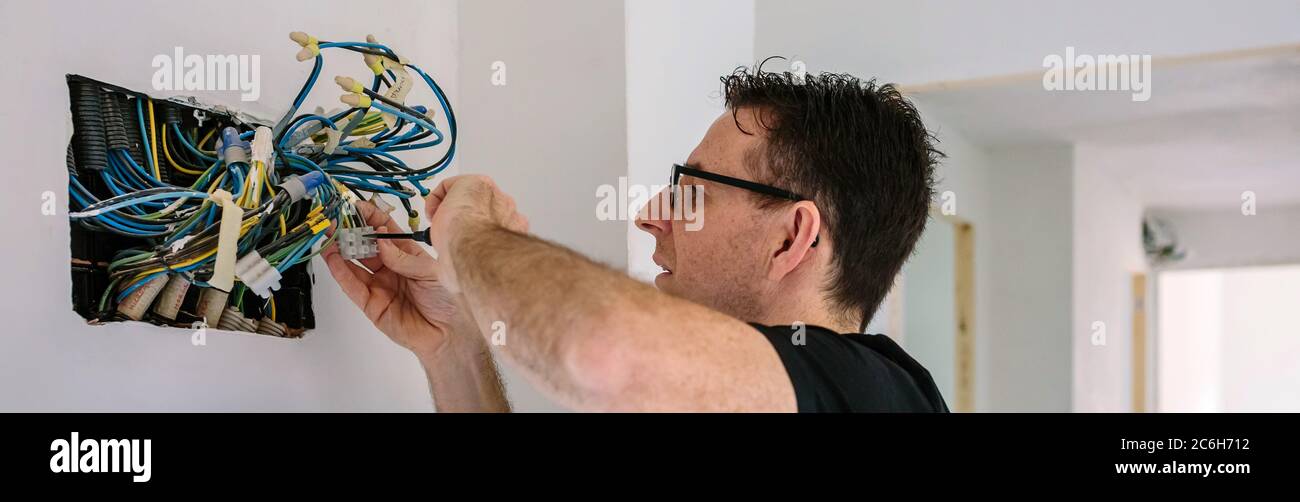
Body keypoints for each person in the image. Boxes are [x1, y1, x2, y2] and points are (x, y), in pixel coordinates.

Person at [323, 63, 949, 412]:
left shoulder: (875, 398)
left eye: (692, 189)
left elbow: (603, 348)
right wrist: (455, 346)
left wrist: (467, 234)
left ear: (791, 238)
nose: (651, 213)